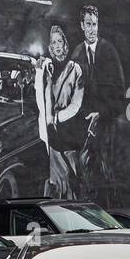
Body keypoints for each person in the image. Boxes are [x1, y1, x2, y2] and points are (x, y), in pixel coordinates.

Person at [71, 5, 126, 185]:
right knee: (84, 175)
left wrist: (101, 114)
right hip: (83, 129)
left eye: (95, 24)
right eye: (89, 24)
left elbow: (119, 95)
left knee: (106, 174)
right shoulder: (77, 53)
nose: (92, 29)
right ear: (82, 25)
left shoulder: (109, 51)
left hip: (106, 128)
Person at [34, 24, 85, 199]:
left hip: (68, 132)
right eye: (53, 42)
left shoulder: (75, 69)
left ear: (65, 44)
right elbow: (38, 97)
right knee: (54, 182)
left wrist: (56, 118)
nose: (56, 45)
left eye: (59, 41)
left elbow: (76, 104)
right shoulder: (46, 68)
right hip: (50, 134)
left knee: (71, 180)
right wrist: (39, 73)